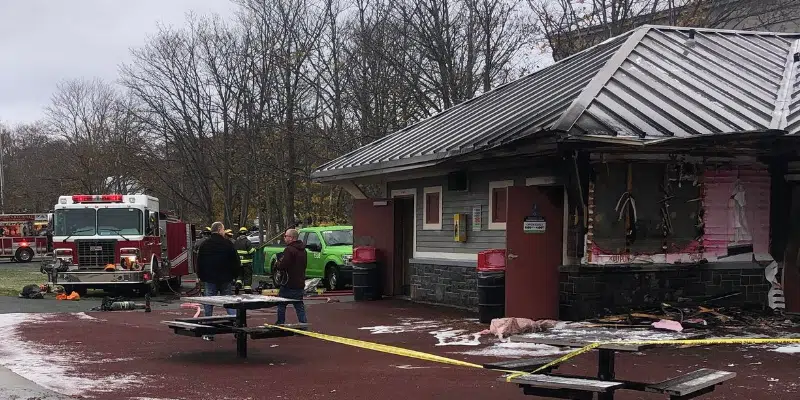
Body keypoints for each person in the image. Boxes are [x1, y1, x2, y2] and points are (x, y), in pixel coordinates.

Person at [196, 222, 241, 340]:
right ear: (220, 229)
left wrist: (201, 276)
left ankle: (209, 332)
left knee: (209, 304)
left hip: (210, 278)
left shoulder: (205, 245)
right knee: (229, 302)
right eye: (223, 229)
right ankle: (238, 326)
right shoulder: (228, 244)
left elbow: (199, 262)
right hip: (226, 278)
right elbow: (235, 261)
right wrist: (235, 276)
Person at [274, 228, 308, 325]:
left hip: (288, 282)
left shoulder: (289, 250)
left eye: (286, 236)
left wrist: (278, 263)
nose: (284, 238)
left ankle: (280, 323)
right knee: (299, 305)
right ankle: (303, 325)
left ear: (291, 238)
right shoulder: (303, 250)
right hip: (300, 282)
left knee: (281, 303)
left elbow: (283, 265)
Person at [233, 227, 255, 294]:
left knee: (239, 275)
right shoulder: (247, 242)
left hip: (238, 263)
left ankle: (237, 284)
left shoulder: (236, 242)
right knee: (247, 276)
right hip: (247, 263)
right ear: (246, 233)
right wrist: (254, 250)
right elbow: (251, 252)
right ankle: (247, 289)